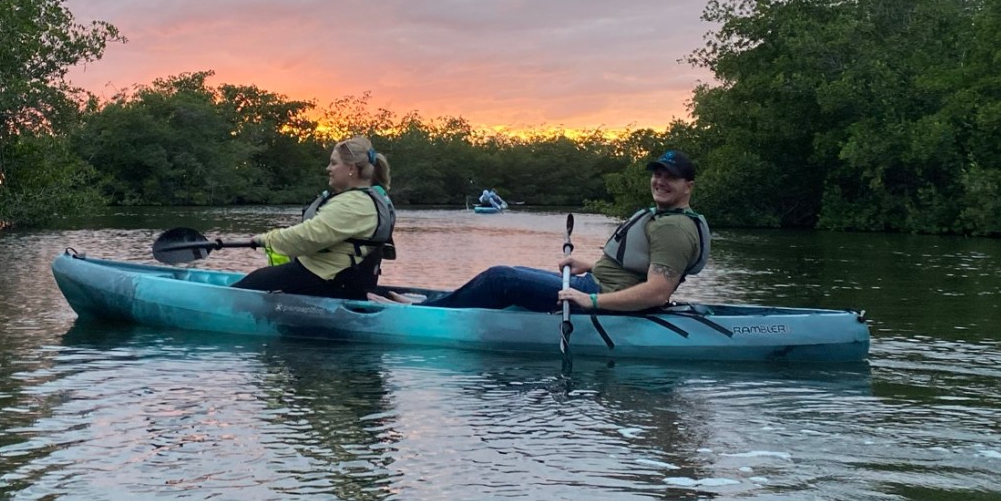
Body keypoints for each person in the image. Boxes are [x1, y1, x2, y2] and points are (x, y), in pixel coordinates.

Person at [423, 149, 709, 311]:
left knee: (500, 278)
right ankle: (436, 302)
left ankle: (426, 313)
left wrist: (591, 299)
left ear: (689, 186)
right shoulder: (663, 217)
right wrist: (589, 265)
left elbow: (658, 293)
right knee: (509, 271)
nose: (660, 182)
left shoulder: (673, 228)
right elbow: (635, 268)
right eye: (657, 174)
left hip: (599, 295)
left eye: (671, 177)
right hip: (596, 284)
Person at [234, 135, 397, 300]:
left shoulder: (353, 205)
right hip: (340, 279)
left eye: (334, 163)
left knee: (246, 288)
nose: (328, 168)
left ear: (351, 169)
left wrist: (265, 239)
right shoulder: (364, 199)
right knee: (264, 278)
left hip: (328, 280)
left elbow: (308, 237)